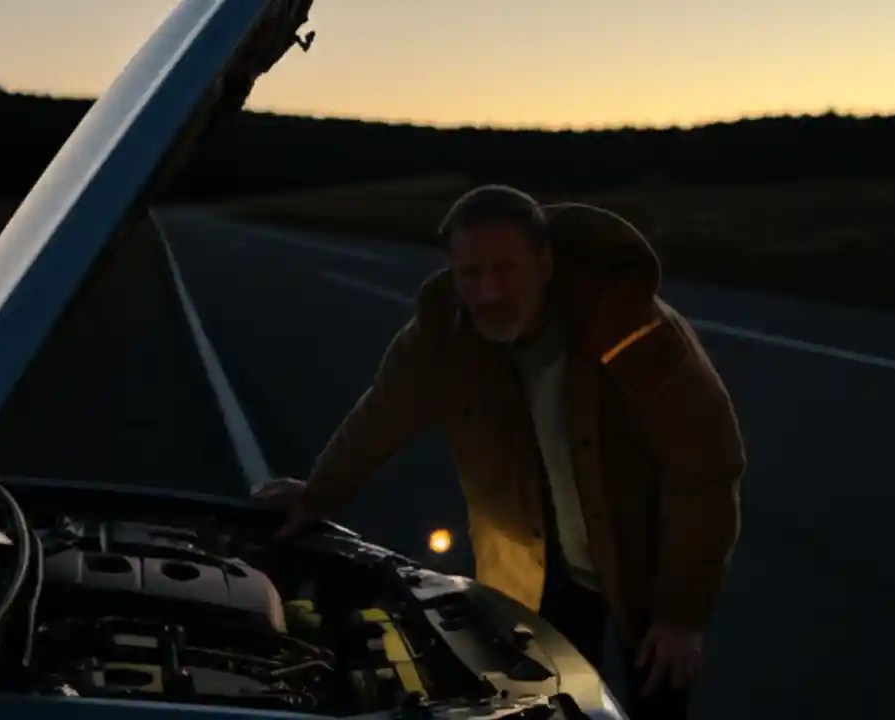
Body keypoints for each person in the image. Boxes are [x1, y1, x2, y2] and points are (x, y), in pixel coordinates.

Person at [253, 185, 745, 719]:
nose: (489, 292)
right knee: (547, 705)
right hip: (544, 566)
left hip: (645, 565)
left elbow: (706, 468)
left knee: (656, 702)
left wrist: (681, 615)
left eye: (505, 270)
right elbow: (384, 413)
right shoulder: (444, 333)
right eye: (472, 274)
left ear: (544, 262)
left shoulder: (632, 328)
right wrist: (320, 496)